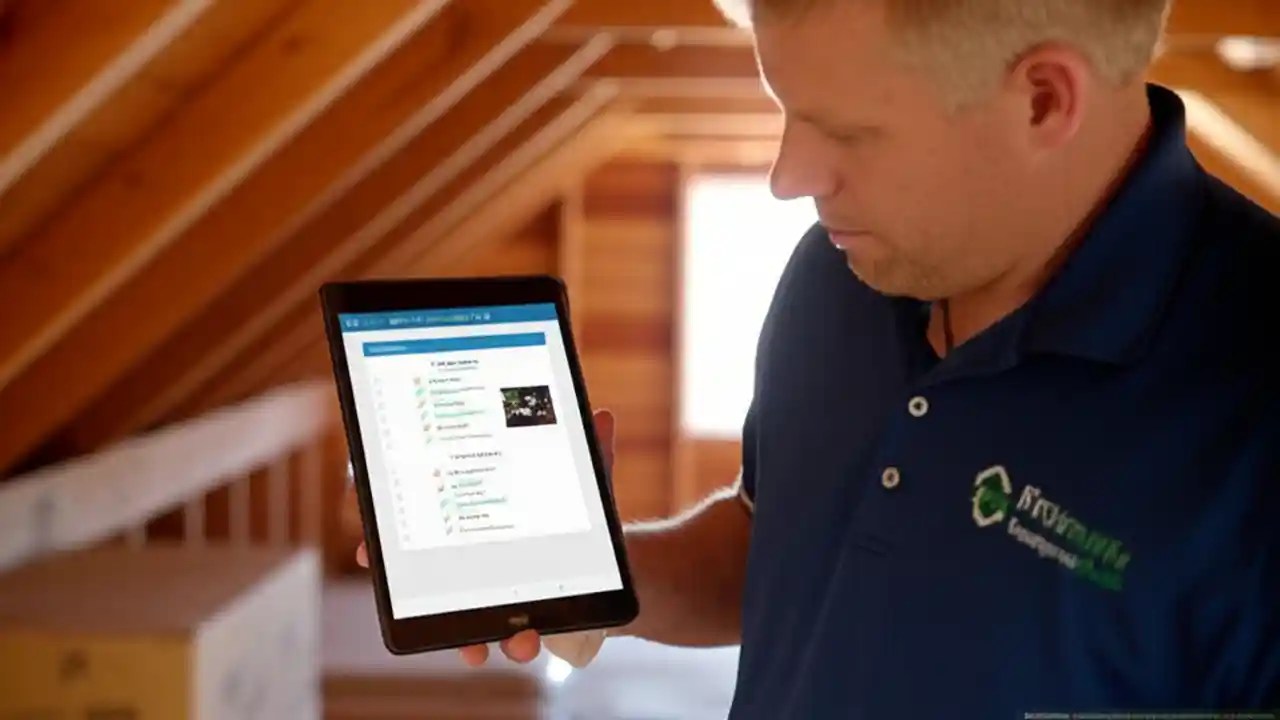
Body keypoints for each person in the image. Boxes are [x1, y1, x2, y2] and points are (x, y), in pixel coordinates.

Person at [353, 0, 1280, 715]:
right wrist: (583, 581)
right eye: (786, 111)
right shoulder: (840, 270)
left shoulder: (1250, 404)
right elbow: (780, 546)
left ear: (1043, 99)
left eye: (847, 132)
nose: (787, 177)